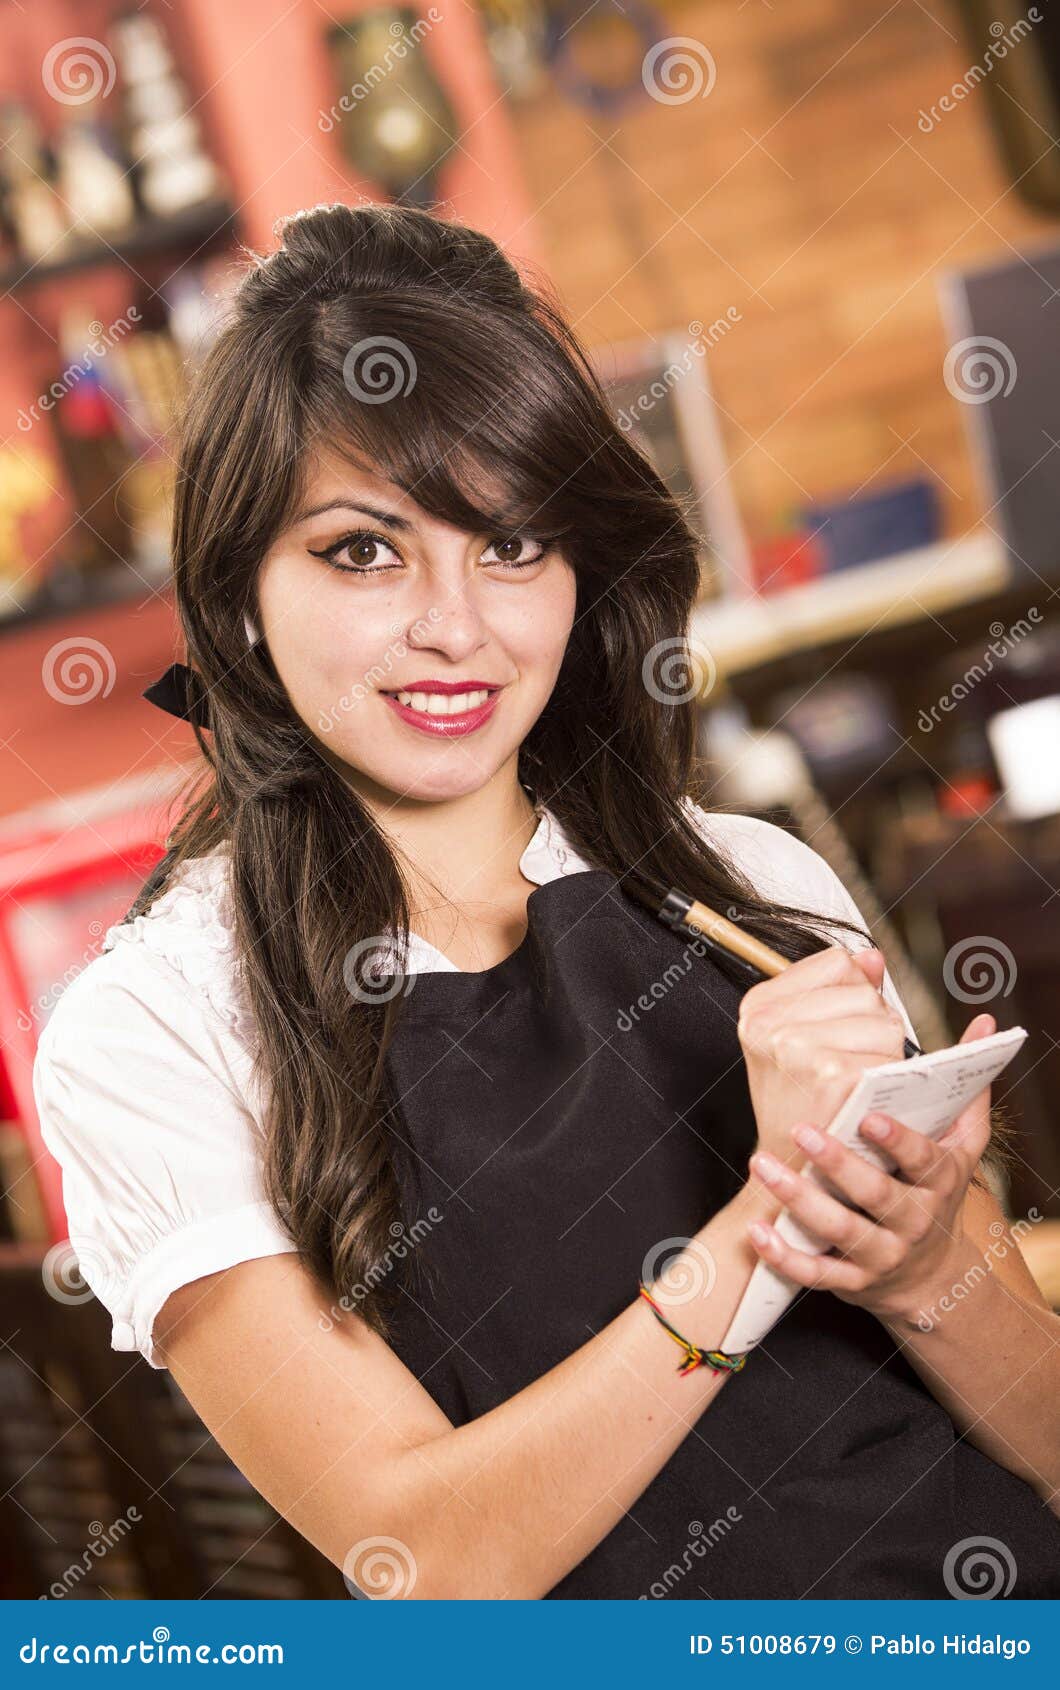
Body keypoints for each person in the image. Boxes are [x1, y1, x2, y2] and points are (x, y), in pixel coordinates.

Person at [32, 202, 1060, 1601]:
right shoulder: (158, 1025)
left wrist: (925, 1258)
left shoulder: (755, 884)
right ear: (239, 593)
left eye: (513, 544)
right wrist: (771, 1231)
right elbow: (434, 1559)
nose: (458, 622)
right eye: (362, 549)